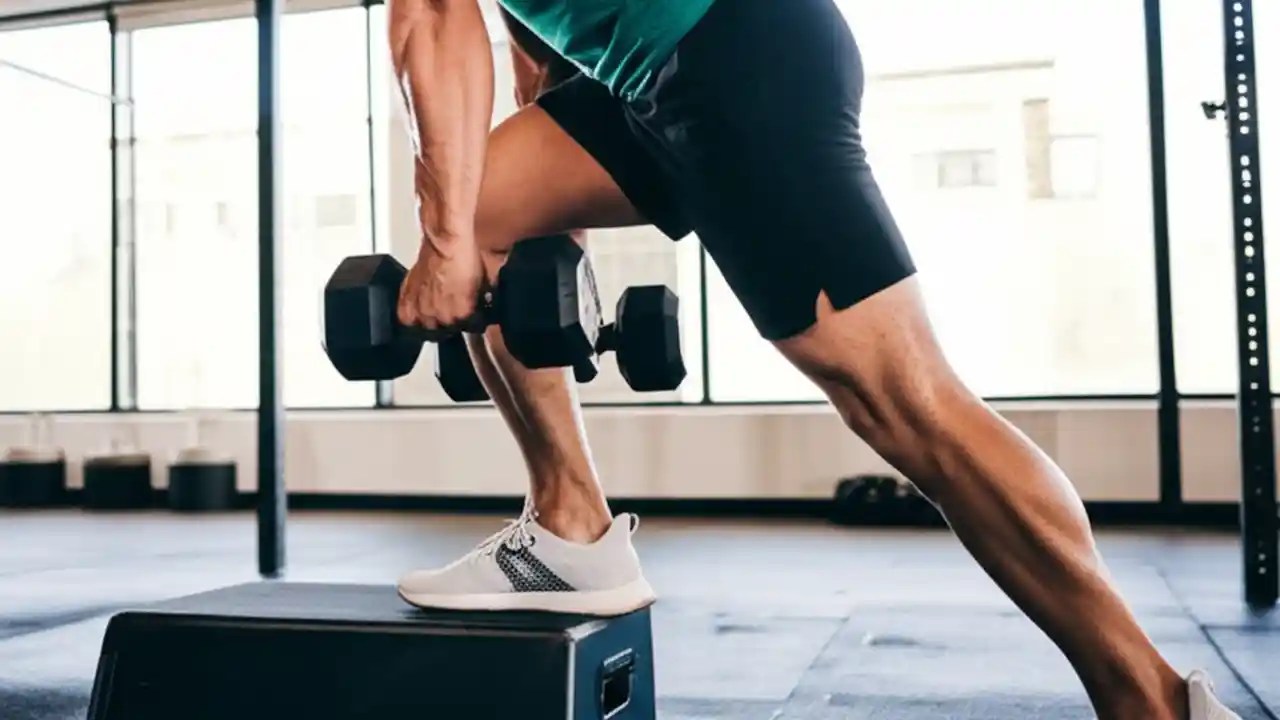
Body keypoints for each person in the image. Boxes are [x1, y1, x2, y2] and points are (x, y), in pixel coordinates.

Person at [386, 0, 1240, 718]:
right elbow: (536, 48)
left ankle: (1153, 699)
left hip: (734, 56)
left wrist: (446, 242)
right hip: (653, 79)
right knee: (492, 205)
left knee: (910, 407)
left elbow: (430, 14)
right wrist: (491, 237)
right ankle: (571, 526)